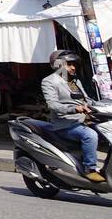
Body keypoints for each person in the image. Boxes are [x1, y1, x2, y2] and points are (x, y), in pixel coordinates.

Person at [40, 49, 104, 182]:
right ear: (58, 64)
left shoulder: (73, 81)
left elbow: (86, 99)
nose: (73, 67)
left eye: (74, 64)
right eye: (69, 64)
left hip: (84, 121)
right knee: (90, 135)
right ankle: (90, 169)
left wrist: (102, 105)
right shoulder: (49, 81)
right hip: (65, 125)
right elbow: (52, 105)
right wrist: (74, 108)